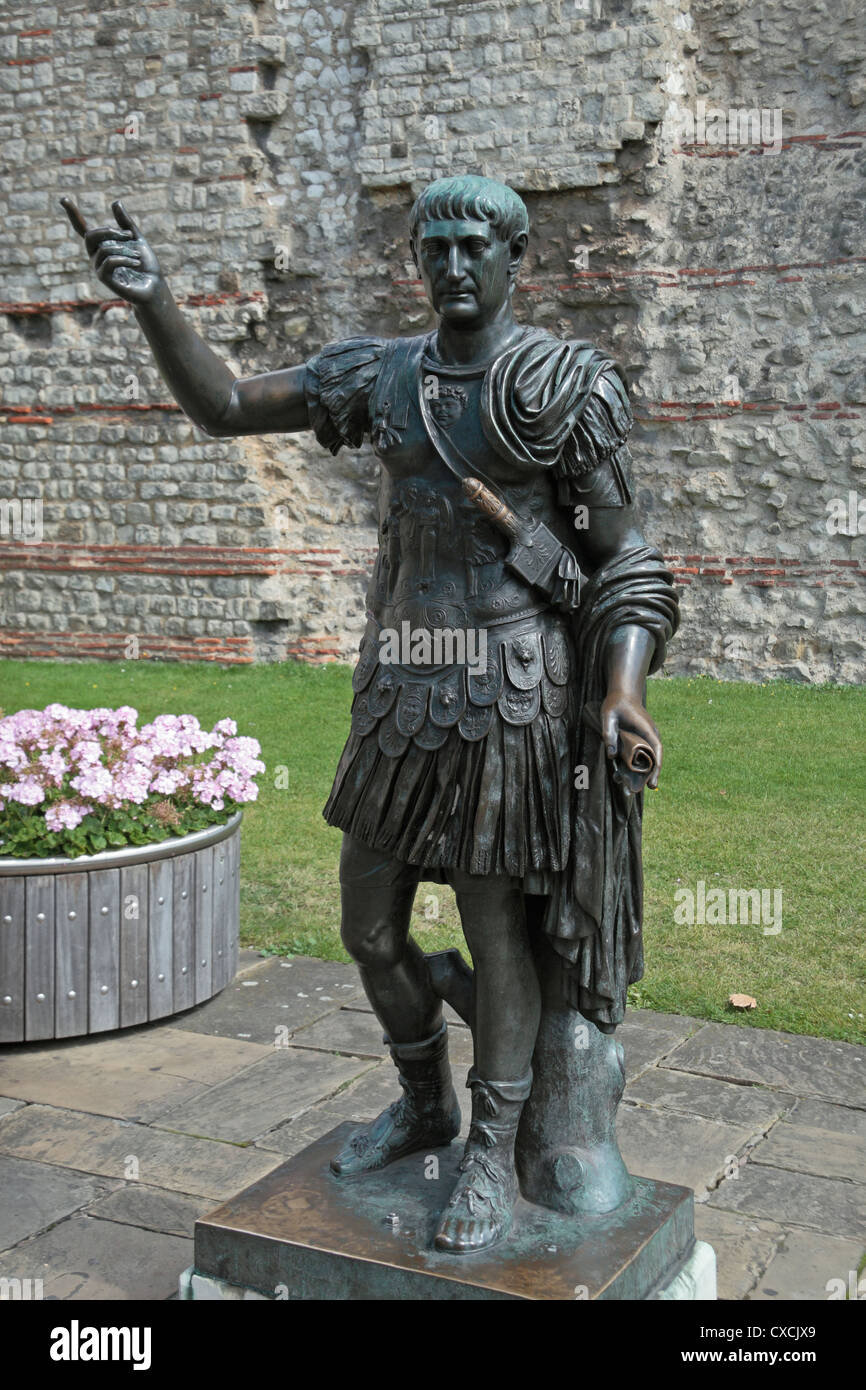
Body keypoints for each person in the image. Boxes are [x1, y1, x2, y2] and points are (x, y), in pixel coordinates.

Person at [63, 176, 679, 1255]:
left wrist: (620, 687)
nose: (448, 265)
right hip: (402, 687)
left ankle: (487, 1152)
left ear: (514, 255)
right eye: (431, 245)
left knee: (495, 934)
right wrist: (154, 299)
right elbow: (225, 408)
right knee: (368, 926)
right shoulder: (383, 375)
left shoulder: (556, 384)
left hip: (512, 688)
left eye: (470, 246)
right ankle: (424, 1102)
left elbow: (623, 557)